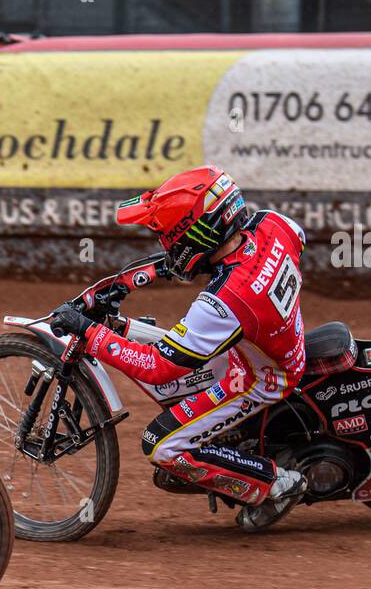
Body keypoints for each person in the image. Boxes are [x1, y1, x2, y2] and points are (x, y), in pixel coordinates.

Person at [50, 165, 309, 529]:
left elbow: (158, 368)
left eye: (166, 238)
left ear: (196, 236)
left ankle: (273, 484)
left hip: (261, 375)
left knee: (161, 444)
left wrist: (90, 332)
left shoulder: (223, 303)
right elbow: (293, 242)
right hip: (265, 339)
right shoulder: (273, 225)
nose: (164, 246)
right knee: (177, 343)